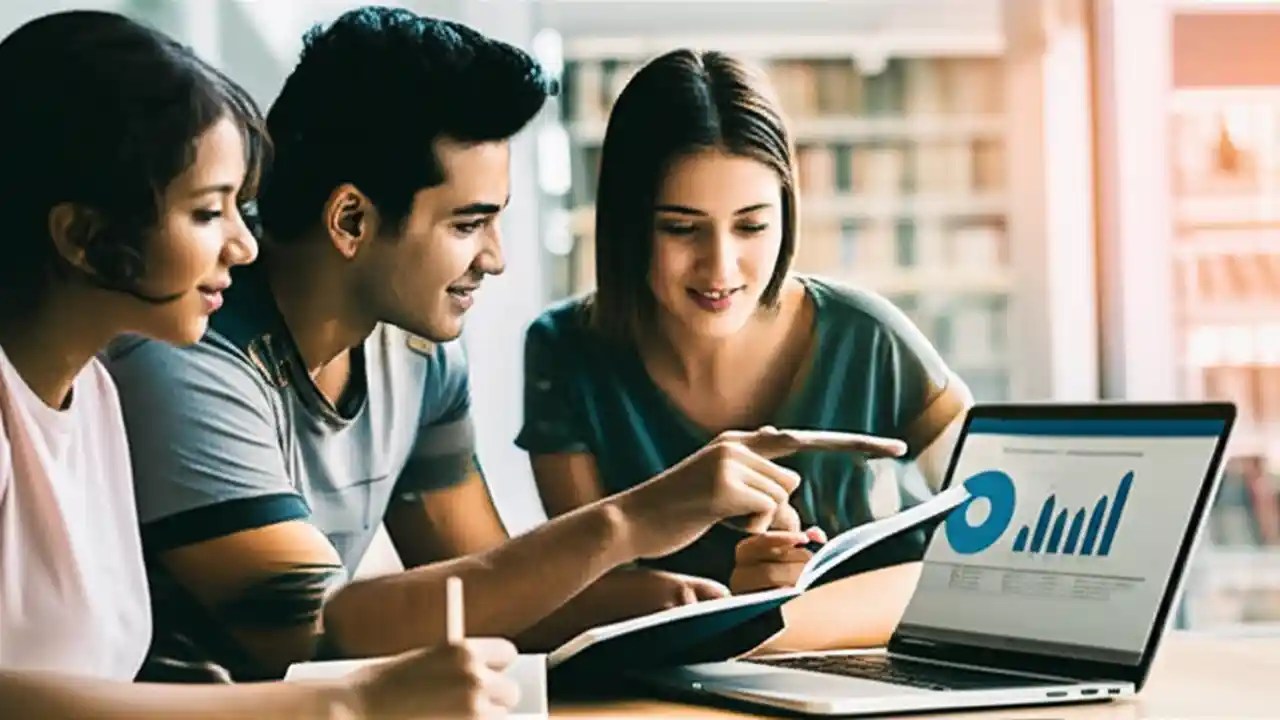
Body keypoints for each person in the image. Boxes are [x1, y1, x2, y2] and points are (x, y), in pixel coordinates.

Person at [102, 5, 905, 685]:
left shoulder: (417, 354)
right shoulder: (187, 358)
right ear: (350, 221)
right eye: (468, 222)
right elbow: (311, 635)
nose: (495, 257)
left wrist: (684, 600)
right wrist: (634, 519)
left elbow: (491, 590)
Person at [0, 9, 525, 719]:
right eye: (208, 212)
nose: (245, 246)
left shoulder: (91, 394)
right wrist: (349, 701)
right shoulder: (149, 376)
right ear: (83, 236)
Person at [516, 49, 973, 641]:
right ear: (629, 224)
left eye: (752, 225)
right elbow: (581, 592)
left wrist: (787, 605)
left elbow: (999, 519)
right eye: (680, 228)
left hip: (877, 662)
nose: (720, 267)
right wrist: (741, 595)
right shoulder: (566, 352)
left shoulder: (867, 336)